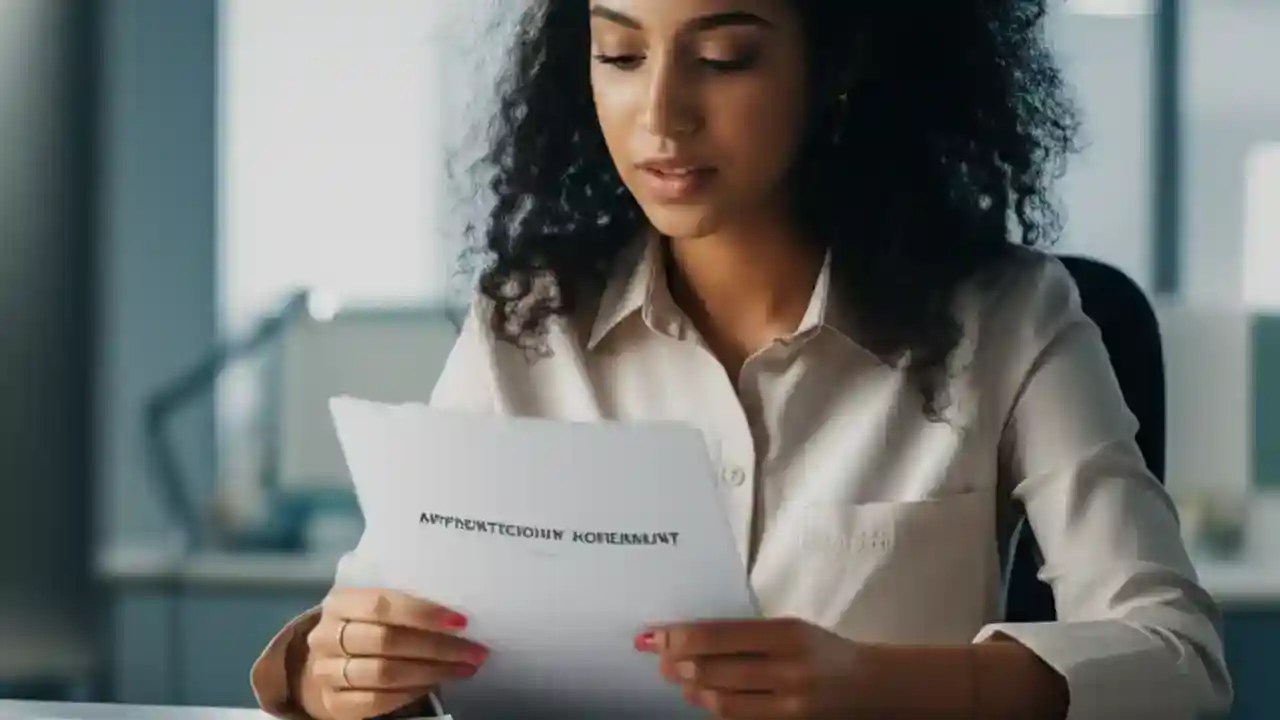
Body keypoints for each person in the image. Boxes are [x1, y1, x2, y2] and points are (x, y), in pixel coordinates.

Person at [251, 1, 1232, 718]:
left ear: (834, 62)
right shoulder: (526, 321)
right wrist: (336, 671)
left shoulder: (1005, 316)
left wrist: (875, 685)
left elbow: (1175, 658)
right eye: (619, 53)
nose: (660, 115)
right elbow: (364, 623)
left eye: (723, 57)